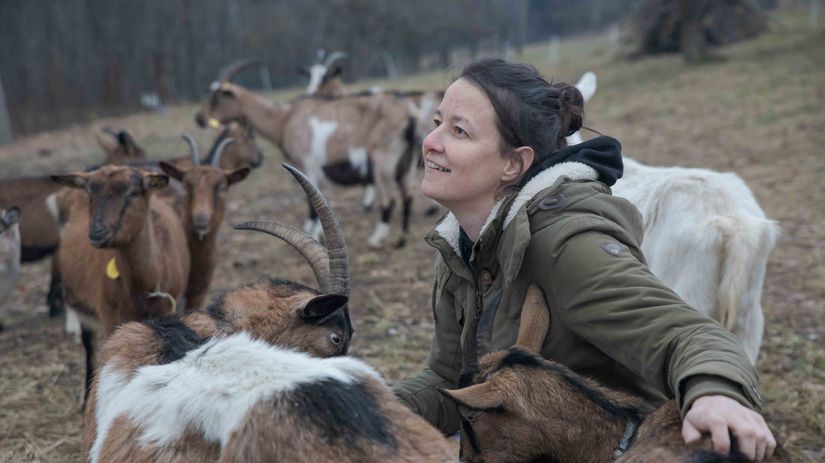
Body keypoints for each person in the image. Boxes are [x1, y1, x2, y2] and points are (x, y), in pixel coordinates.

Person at [392, 58, 776, 461]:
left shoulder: (566, 244)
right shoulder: (463, 246)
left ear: (513, 164)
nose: (431, 141)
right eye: (437, 122)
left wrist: (716, 393)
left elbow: (693, 337)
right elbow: (450, 381)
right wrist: (362, 408)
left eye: (458, 131)